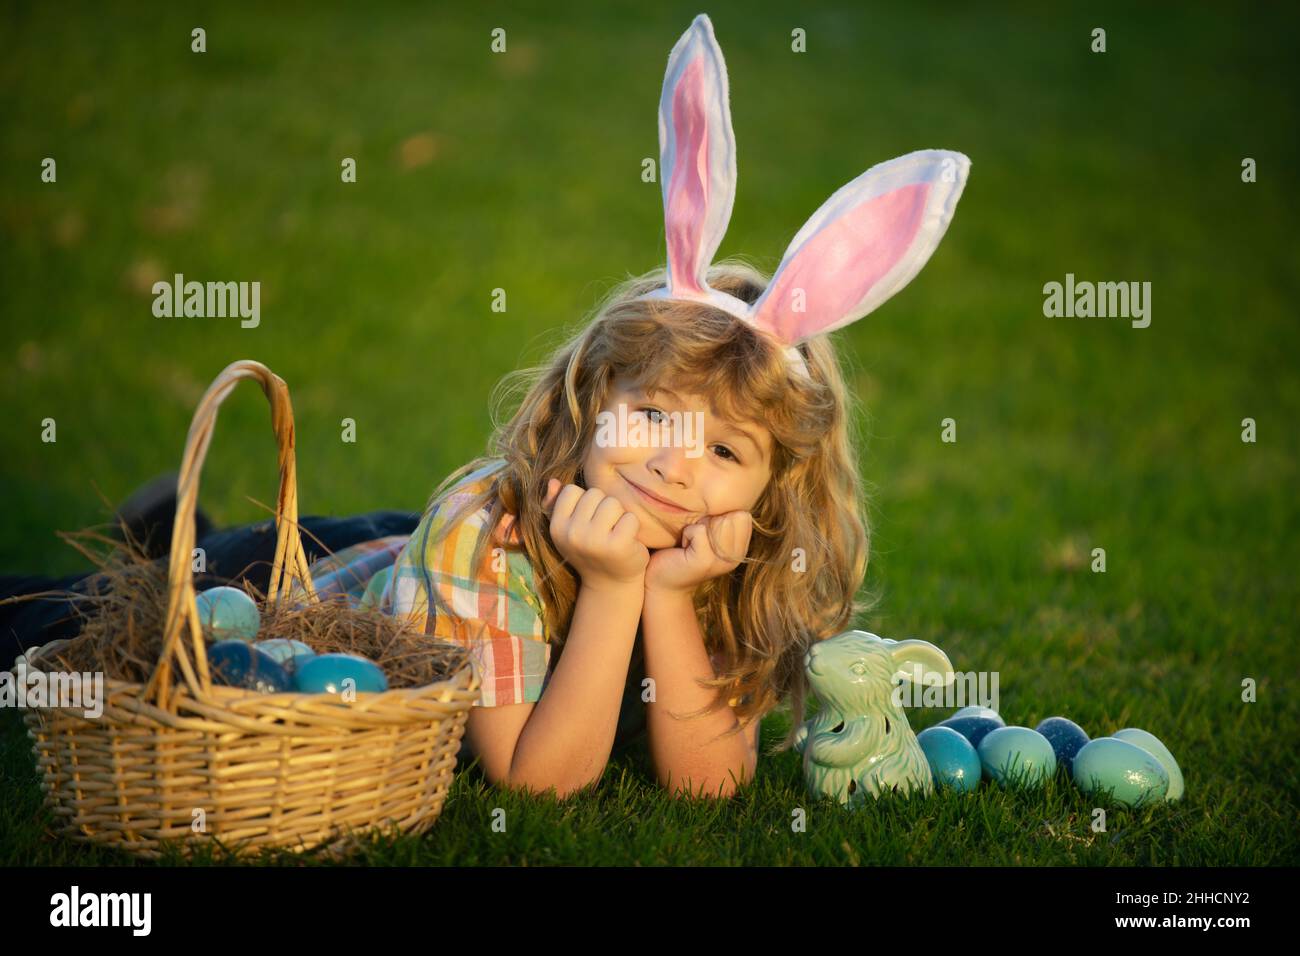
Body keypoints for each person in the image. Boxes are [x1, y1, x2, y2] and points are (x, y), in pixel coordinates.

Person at [3, 13, 970, 803]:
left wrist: (662, 594)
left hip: (423, 562)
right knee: (81, 624)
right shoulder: (488, 531)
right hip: (355, 579)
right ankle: (173, 536)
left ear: (772, 486)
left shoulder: (722, 553)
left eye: (726, 451)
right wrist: (614, 587)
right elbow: (539, 782)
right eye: (655, 417)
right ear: (594, 402)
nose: (678, 464)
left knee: (232, 556)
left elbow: (712, 786)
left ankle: (175, 524)